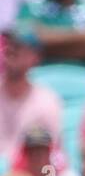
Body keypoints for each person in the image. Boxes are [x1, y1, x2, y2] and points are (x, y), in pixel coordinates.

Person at [0, 26, 61, 159]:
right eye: (8, 44)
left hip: (28, 175)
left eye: (19, 45)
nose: (11, 49)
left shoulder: (47, 101)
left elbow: (51, 155)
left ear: (36, 58)